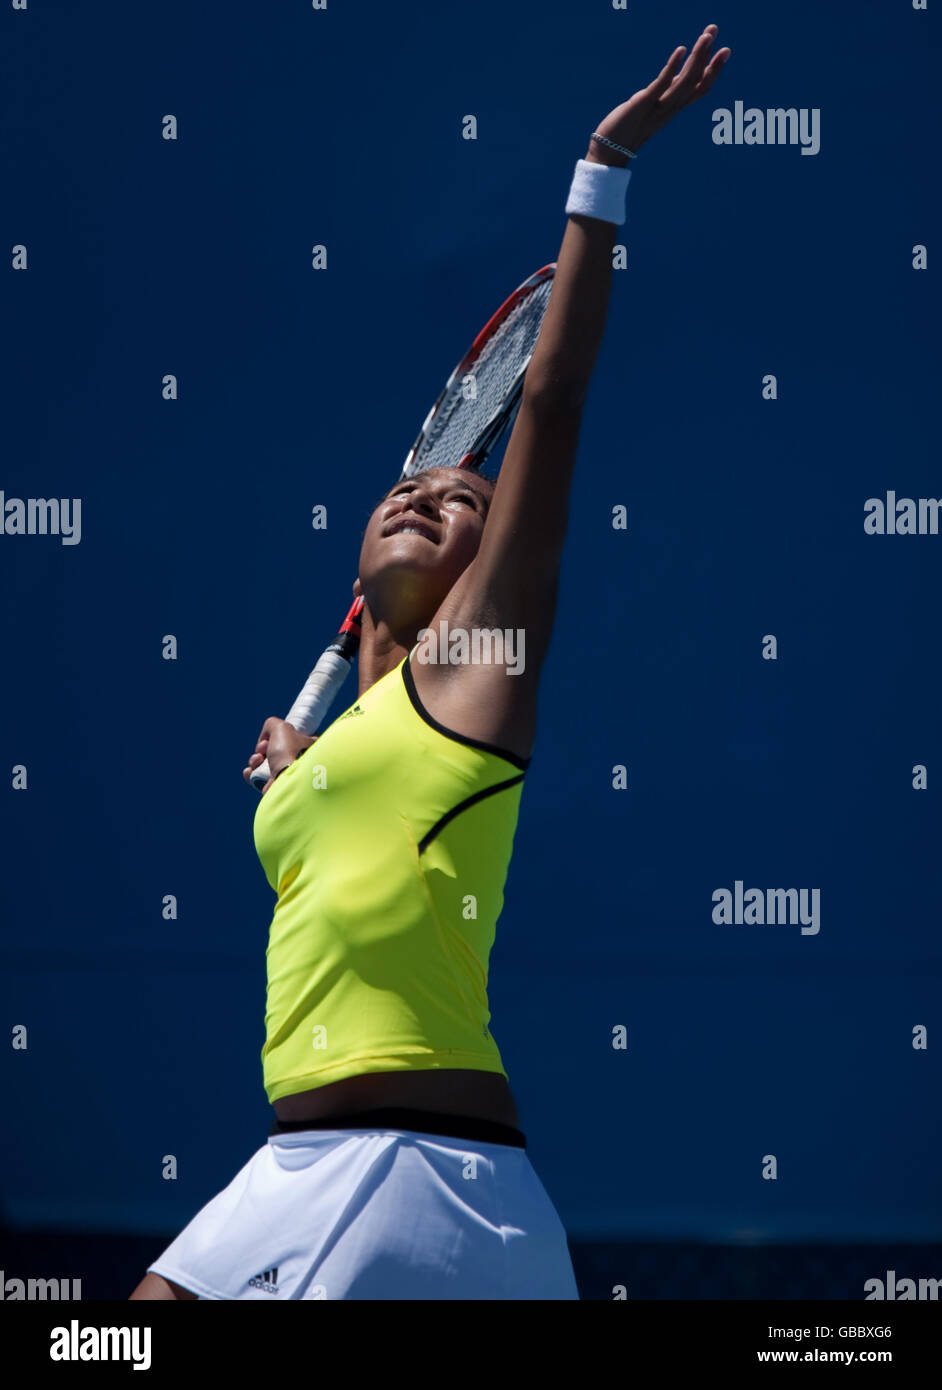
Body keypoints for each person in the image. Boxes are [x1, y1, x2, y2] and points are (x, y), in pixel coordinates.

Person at [129, 24, 730, 1301]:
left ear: (485, 561)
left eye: (463, 498)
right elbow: (356, 853)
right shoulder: (334, 741)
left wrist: (602, 170)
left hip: (420, 1175)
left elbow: (552, 403)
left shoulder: (476, 662)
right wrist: (306, 766)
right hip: (290, 1163)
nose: (427, 497)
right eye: (407, 486)